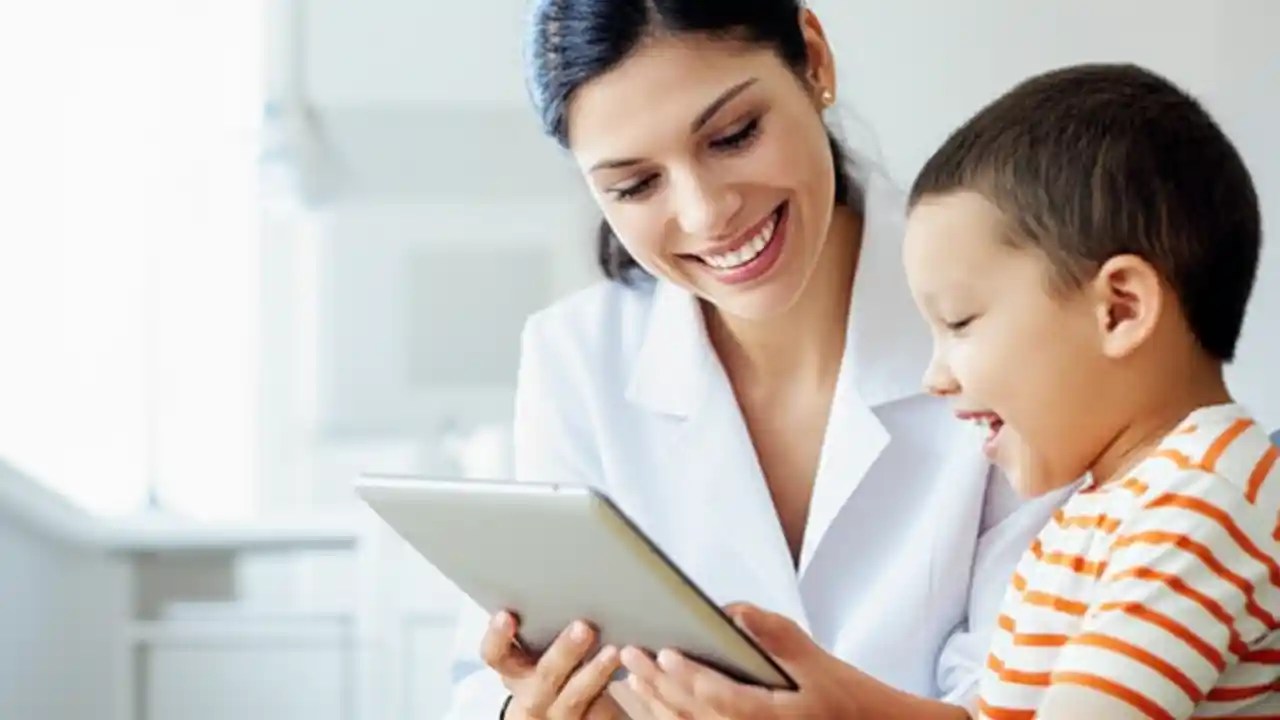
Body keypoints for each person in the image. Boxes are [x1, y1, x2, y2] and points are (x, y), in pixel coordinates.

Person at [443, 2, 1067, 718]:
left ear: (814, 60)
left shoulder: (1012, 309)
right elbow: (484, 679)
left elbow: (1053, 690)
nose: (707, 214)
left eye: (735, 135)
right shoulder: (576, 361)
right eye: (636, 186)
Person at [624, 63, 1280, 719]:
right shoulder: (1107, 510)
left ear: (1119, 310)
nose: (935, 376)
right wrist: (838, 698)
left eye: (960, 324)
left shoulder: (1200, 503)